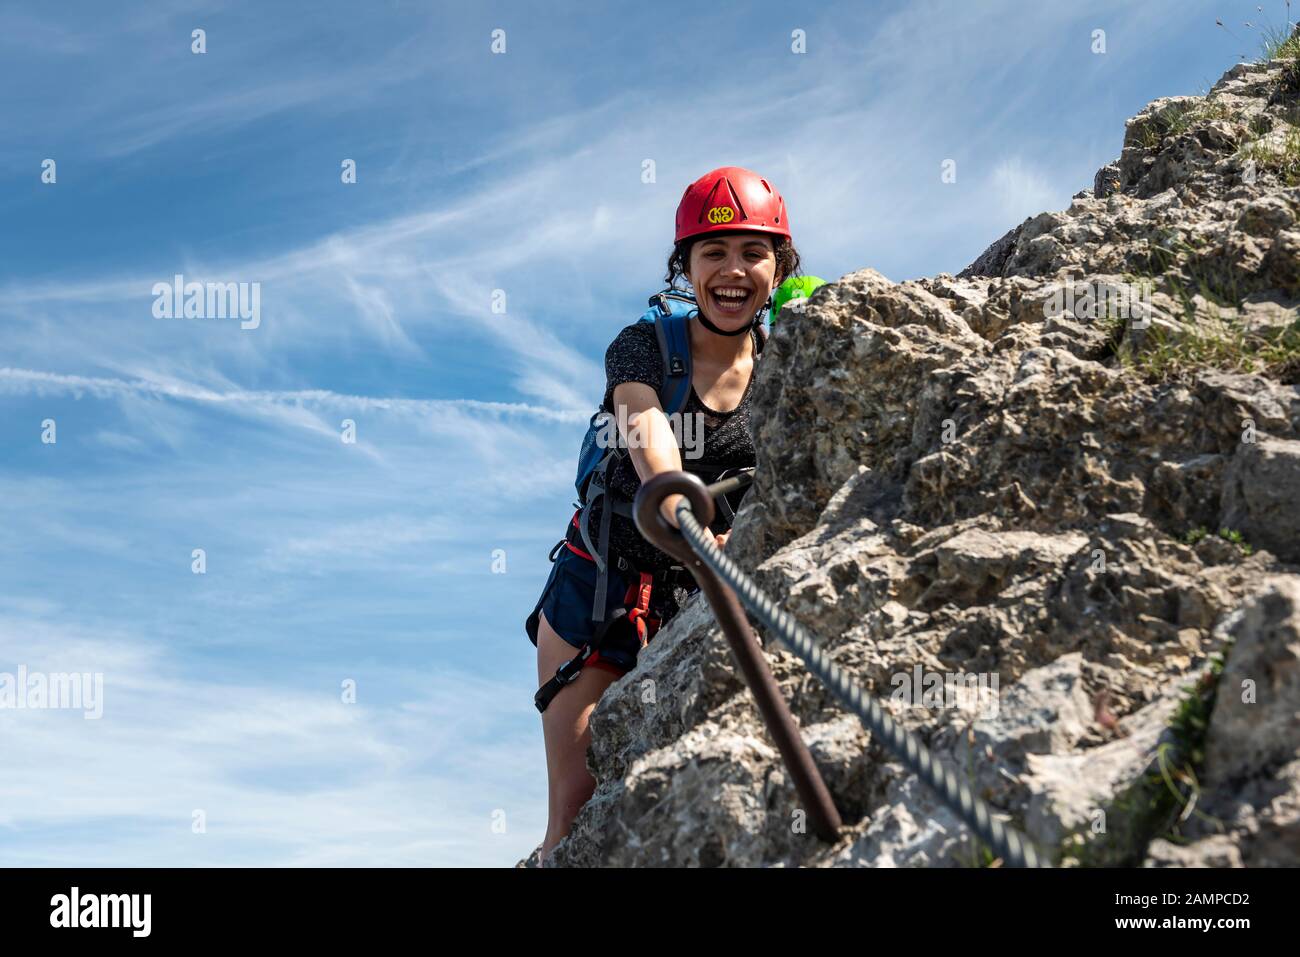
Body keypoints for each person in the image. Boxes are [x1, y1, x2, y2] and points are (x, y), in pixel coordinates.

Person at [524, 166, 802, 864]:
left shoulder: (790, 365)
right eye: (714, 252)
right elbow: (642, 423)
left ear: (778, 267)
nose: (733, 270)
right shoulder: (643, 345)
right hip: (599, 594)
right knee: (578, 808)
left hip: (701, 596)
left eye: (752, 252)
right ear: (686, 266)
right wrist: (676, 497)